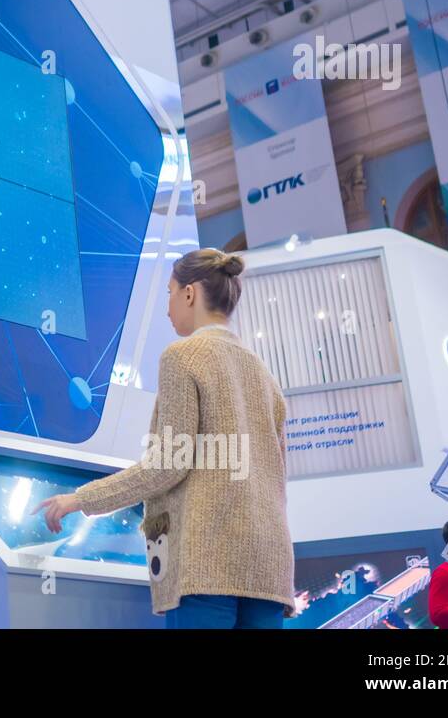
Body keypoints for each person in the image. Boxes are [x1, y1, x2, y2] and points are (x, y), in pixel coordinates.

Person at [33, 248, 295, 628]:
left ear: (189, 293)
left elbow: (166, 465)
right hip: (269, 568)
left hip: (208, 564)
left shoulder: (183, 357)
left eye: (169, 293)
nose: (167, 307)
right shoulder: (264, 375)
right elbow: (277, 476)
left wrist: (80, 498)